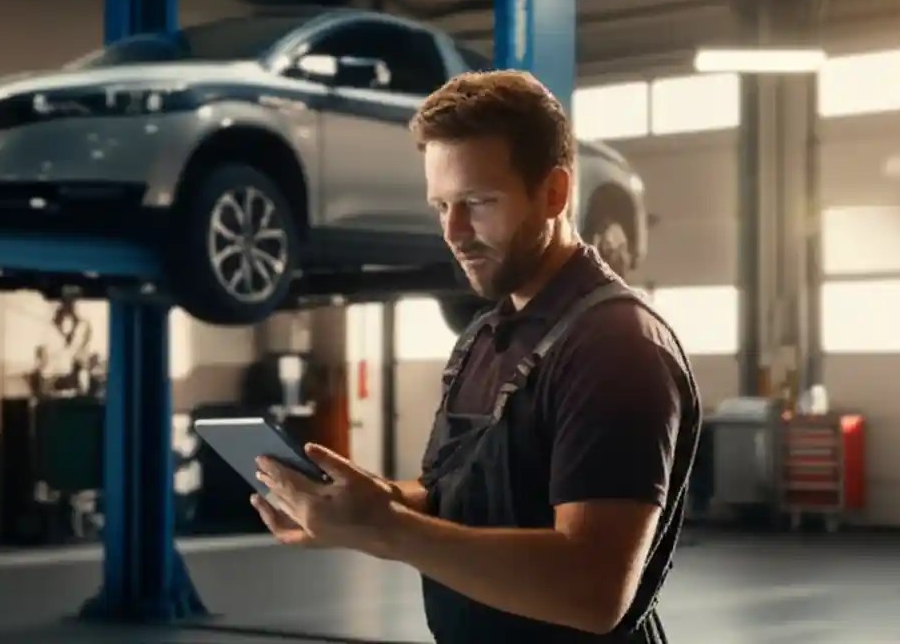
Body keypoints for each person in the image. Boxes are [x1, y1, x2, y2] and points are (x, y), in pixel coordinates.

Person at [252, 69, 704, 644]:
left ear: (555, 194)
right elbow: (453, 499)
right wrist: (358, 507)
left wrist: (388, 529)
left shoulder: (615, 346)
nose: (454, 231)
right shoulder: (485, 336)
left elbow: (594, 588)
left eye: (477, 202)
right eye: (441, 205)